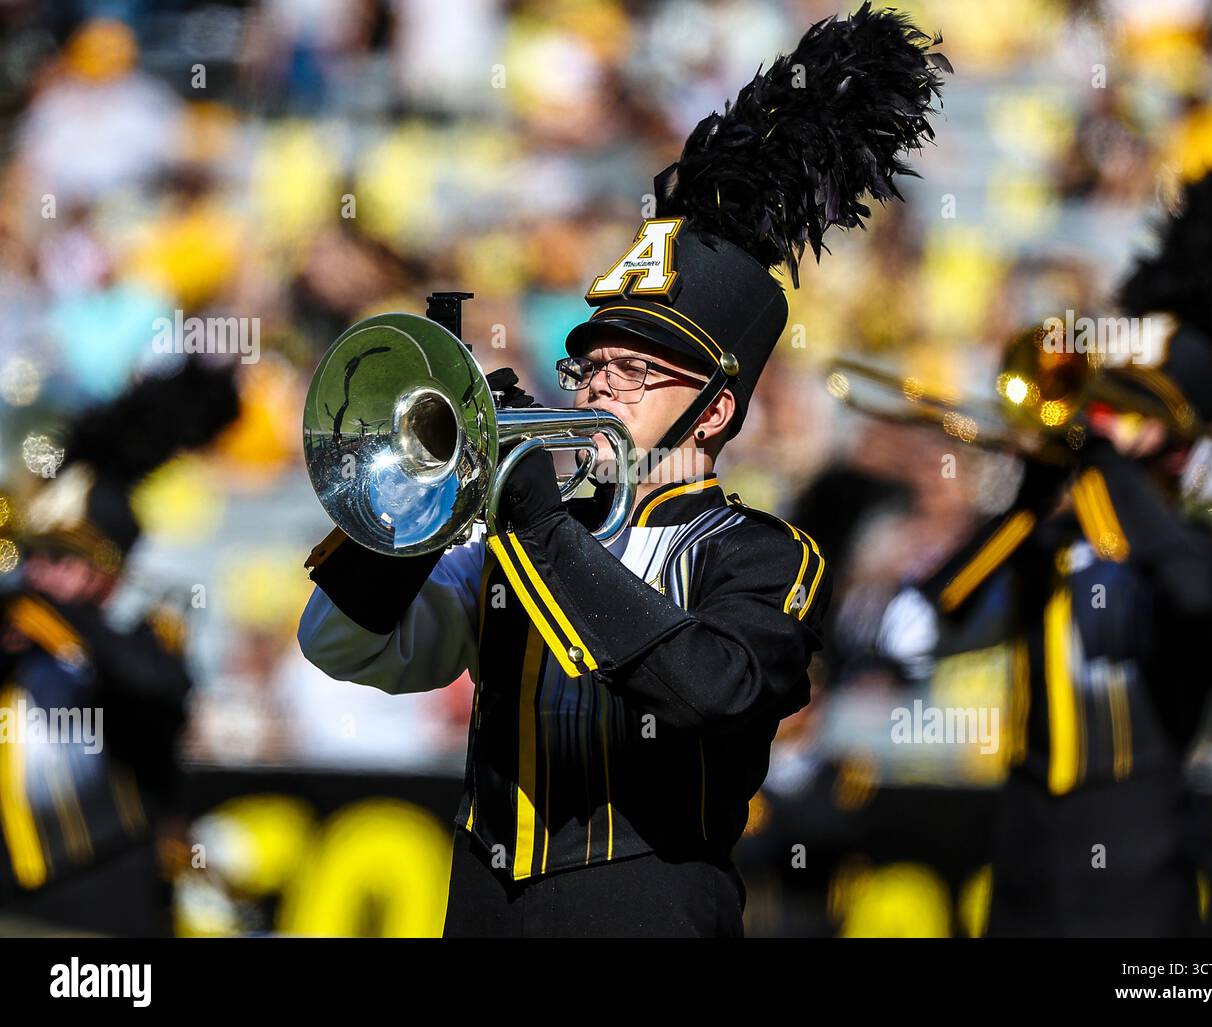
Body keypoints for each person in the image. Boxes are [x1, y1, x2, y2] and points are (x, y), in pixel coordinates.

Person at [297, 2, 946, 937]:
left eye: (637, 370)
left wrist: (537, 522)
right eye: (591, 364)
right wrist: (430, 499)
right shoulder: (515, 540)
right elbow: (341, 645)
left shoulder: (763, 556)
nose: (602, 385)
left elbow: (708, 689)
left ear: (716, 407)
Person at [882, 166, 1212, 936]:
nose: (1102, 421)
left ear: (1177, 429)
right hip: (1024, 846)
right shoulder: (1056, 528)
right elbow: (917, 628)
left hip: (1139, 858)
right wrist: (1034, 492)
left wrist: (1097, 460)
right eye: (1103, 404)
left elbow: (1197, 596)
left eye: (1123, 409)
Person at [0, 358, 240, 935]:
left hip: (105, 884)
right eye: (33, 556)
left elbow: (160, 690)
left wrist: (61, 619)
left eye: (59, 559)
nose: (39, 572)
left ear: (107, 566)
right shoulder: (16, 627)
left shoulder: (148, 633)